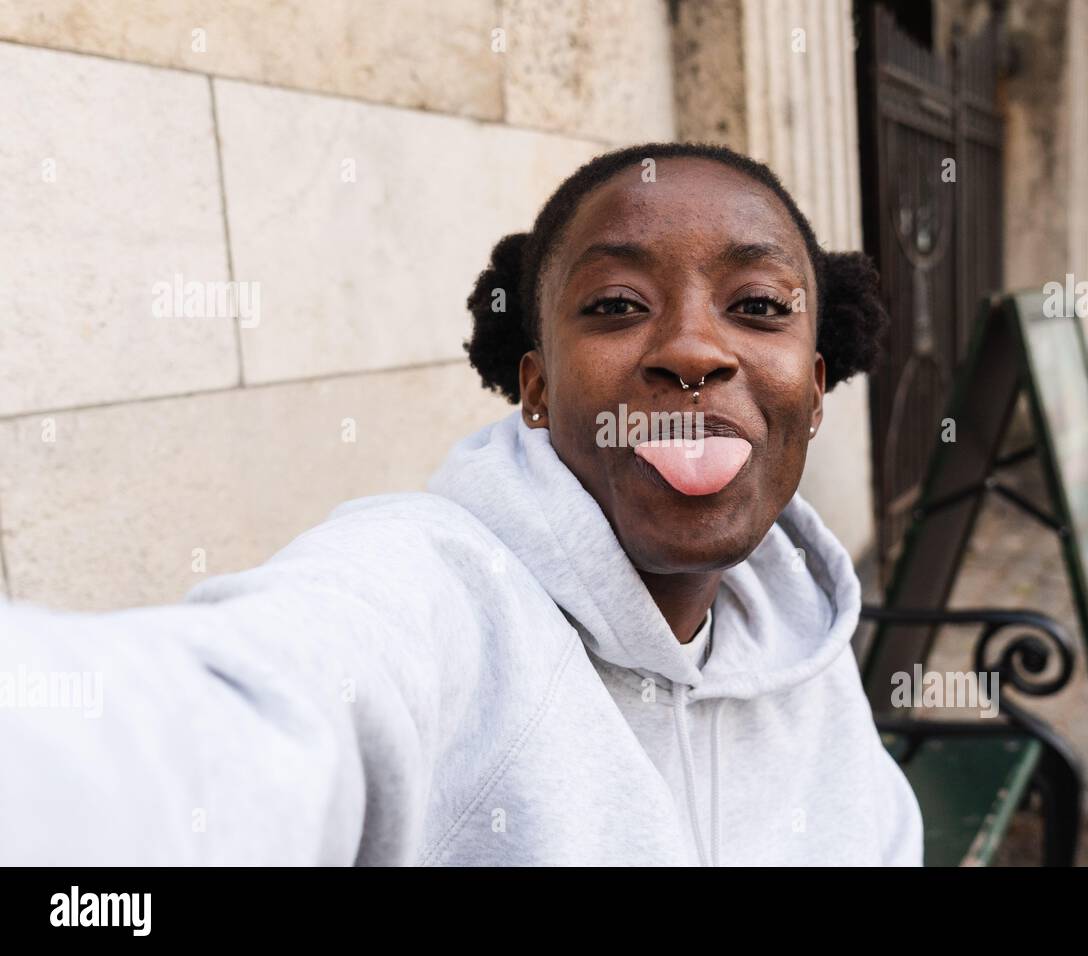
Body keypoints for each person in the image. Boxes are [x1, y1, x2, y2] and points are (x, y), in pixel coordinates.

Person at [0, 142, 923, 866]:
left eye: (758, 305)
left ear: (813, 384)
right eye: (613, 304)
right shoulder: (431, 591)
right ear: (535, 387)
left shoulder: (803, 627)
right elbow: (236, 710)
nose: (691, 348)